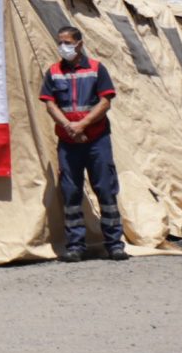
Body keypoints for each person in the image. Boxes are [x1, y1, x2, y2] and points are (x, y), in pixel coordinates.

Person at [42, 26, 128, 262]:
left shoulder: (96, 69)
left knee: (106, 189)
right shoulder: (53, 72)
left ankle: (114, 244)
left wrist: (83, 125)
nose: (63, 47)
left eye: (67, 42)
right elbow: (50, 104)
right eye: (60, 42)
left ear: (79, 44)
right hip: (68, 143)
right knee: (71, 193)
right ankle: (75, 245)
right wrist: (70, 126)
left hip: (96, 140)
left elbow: (105, 102)